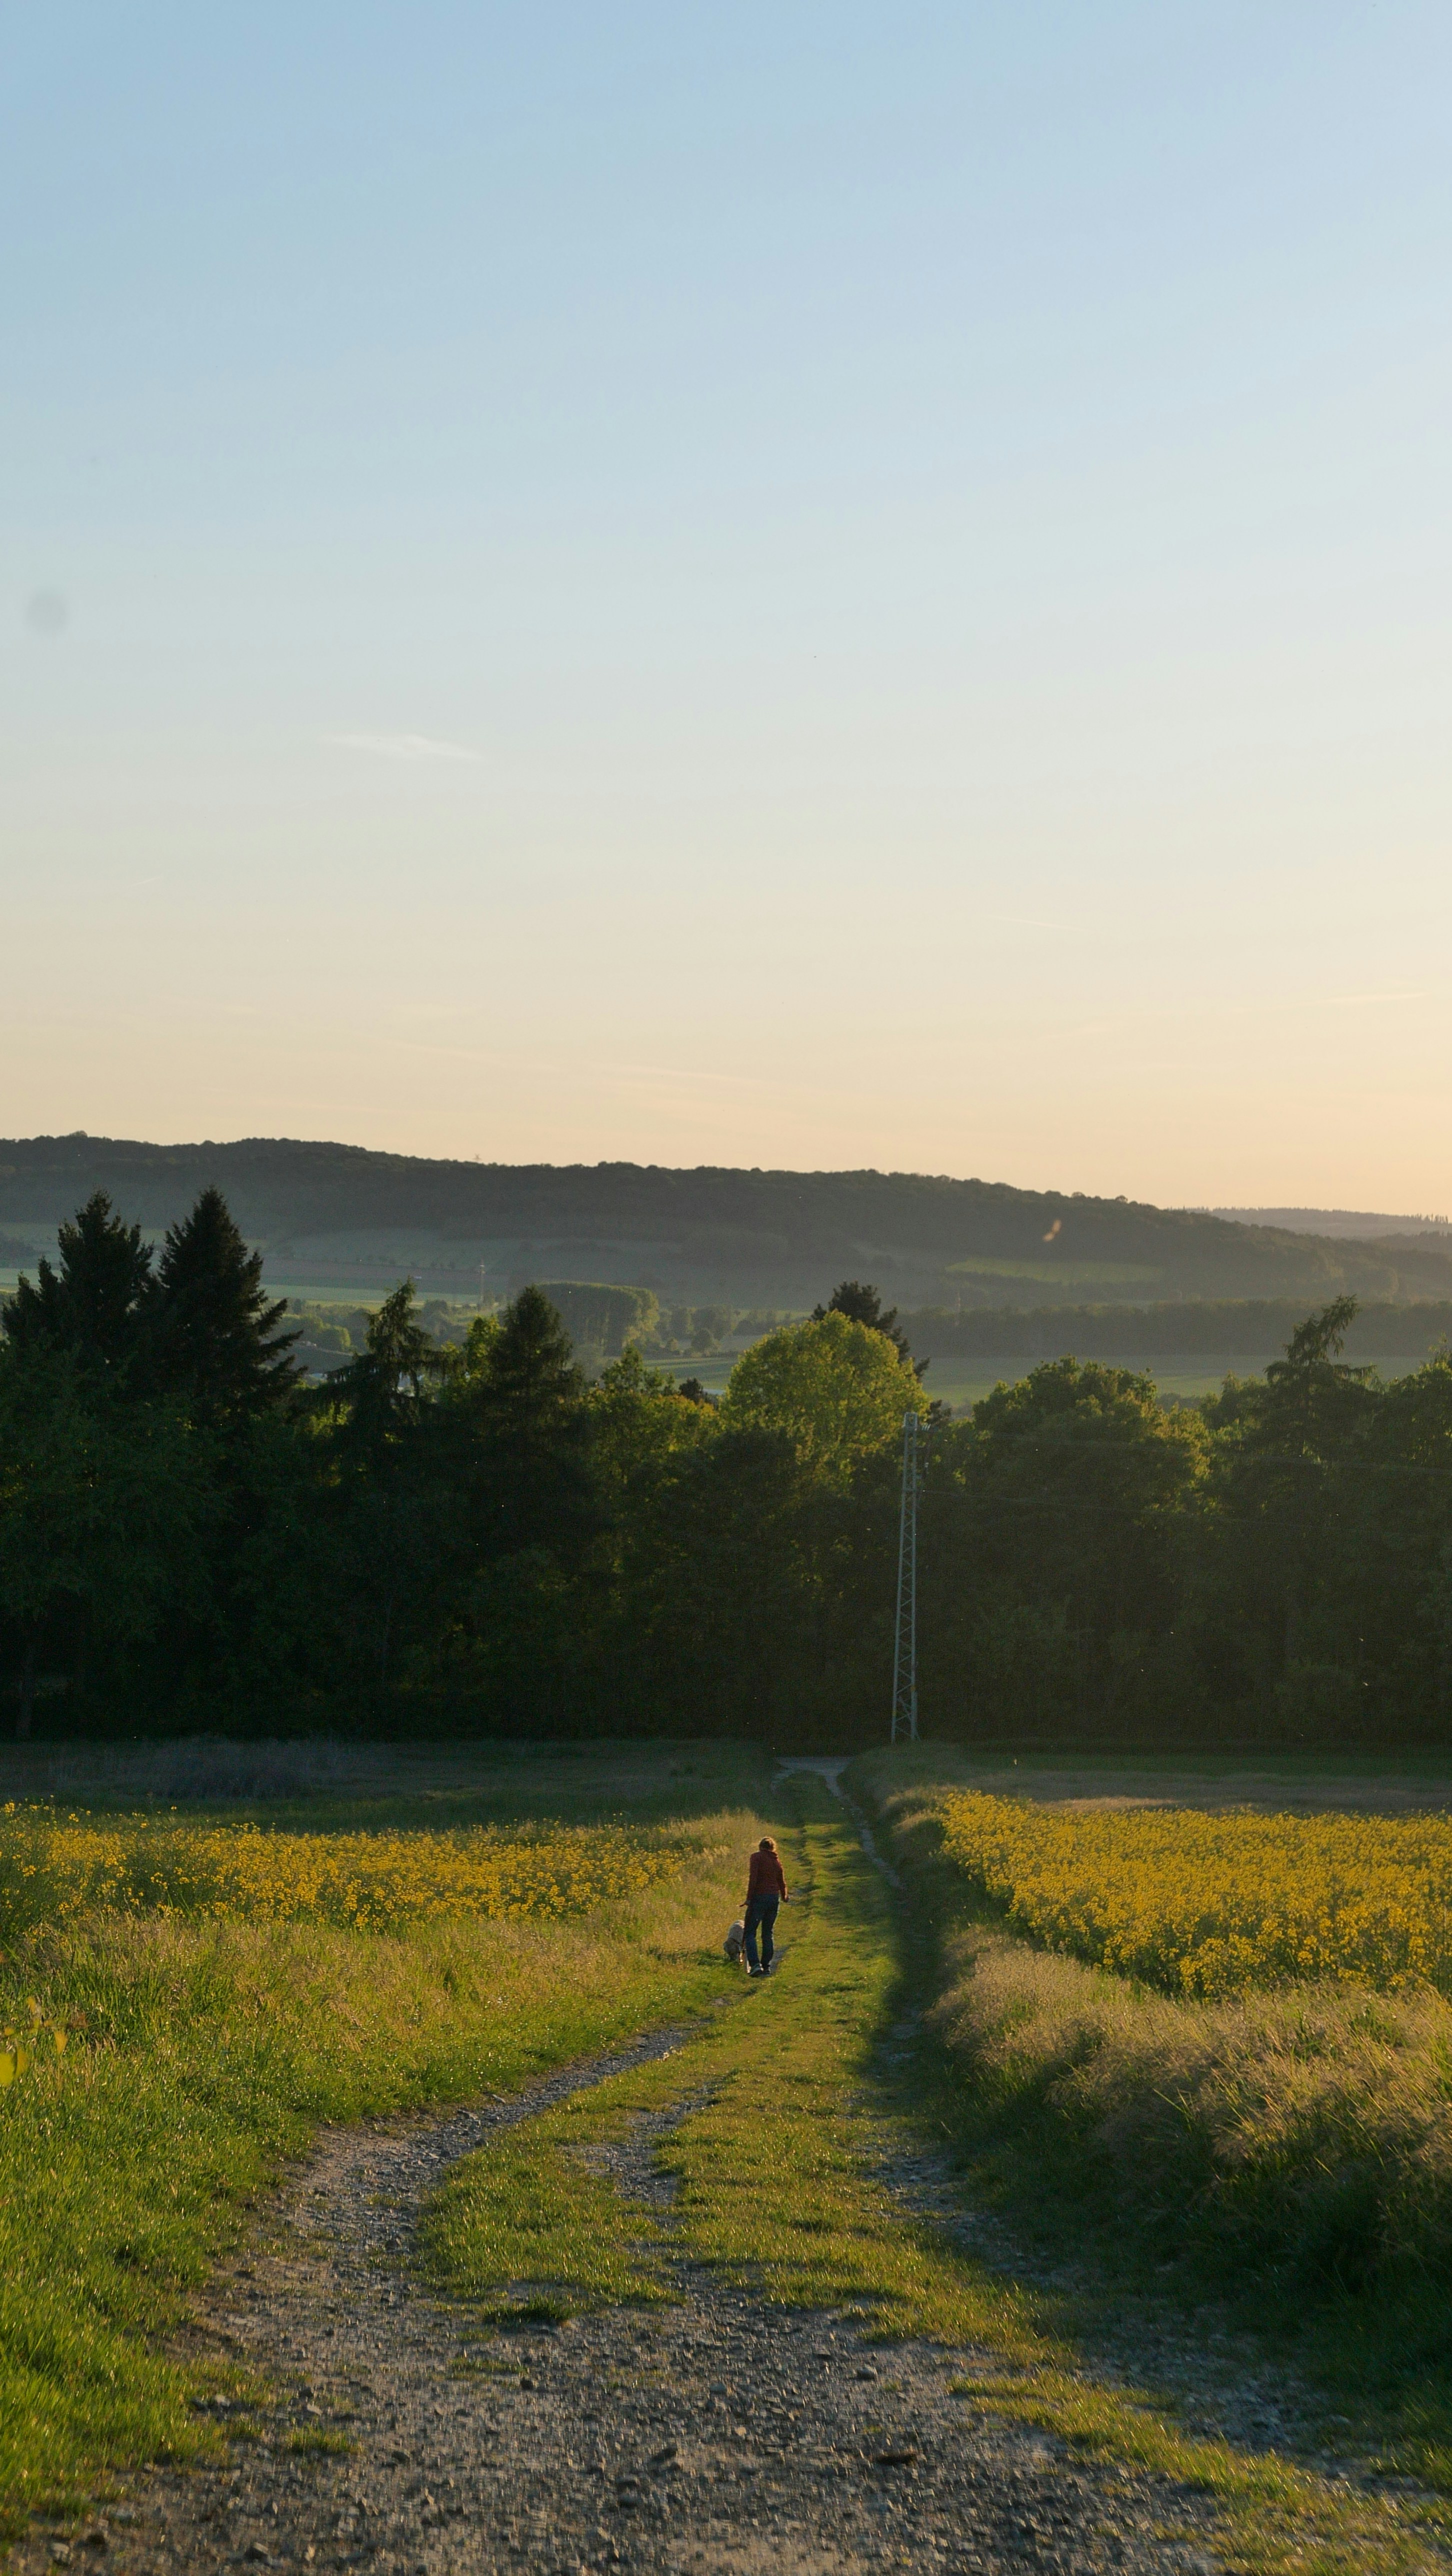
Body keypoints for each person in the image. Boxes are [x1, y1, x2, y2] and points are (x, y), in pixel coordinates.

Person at [743, 1836, 789, 1977]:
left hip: (759, 1899)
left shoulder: (756, 1858)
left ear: (760, 1847)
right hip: (773, 1899)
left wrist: (749, 1899)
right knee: (767, 1933)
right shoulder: (776, 1862)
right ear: (772, 1848)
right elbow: (781, 1881)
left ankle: (755, 1965)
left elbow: (754, 1879)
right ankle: (766, 1966)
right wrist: (784, 1896)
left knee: (750, 1932)